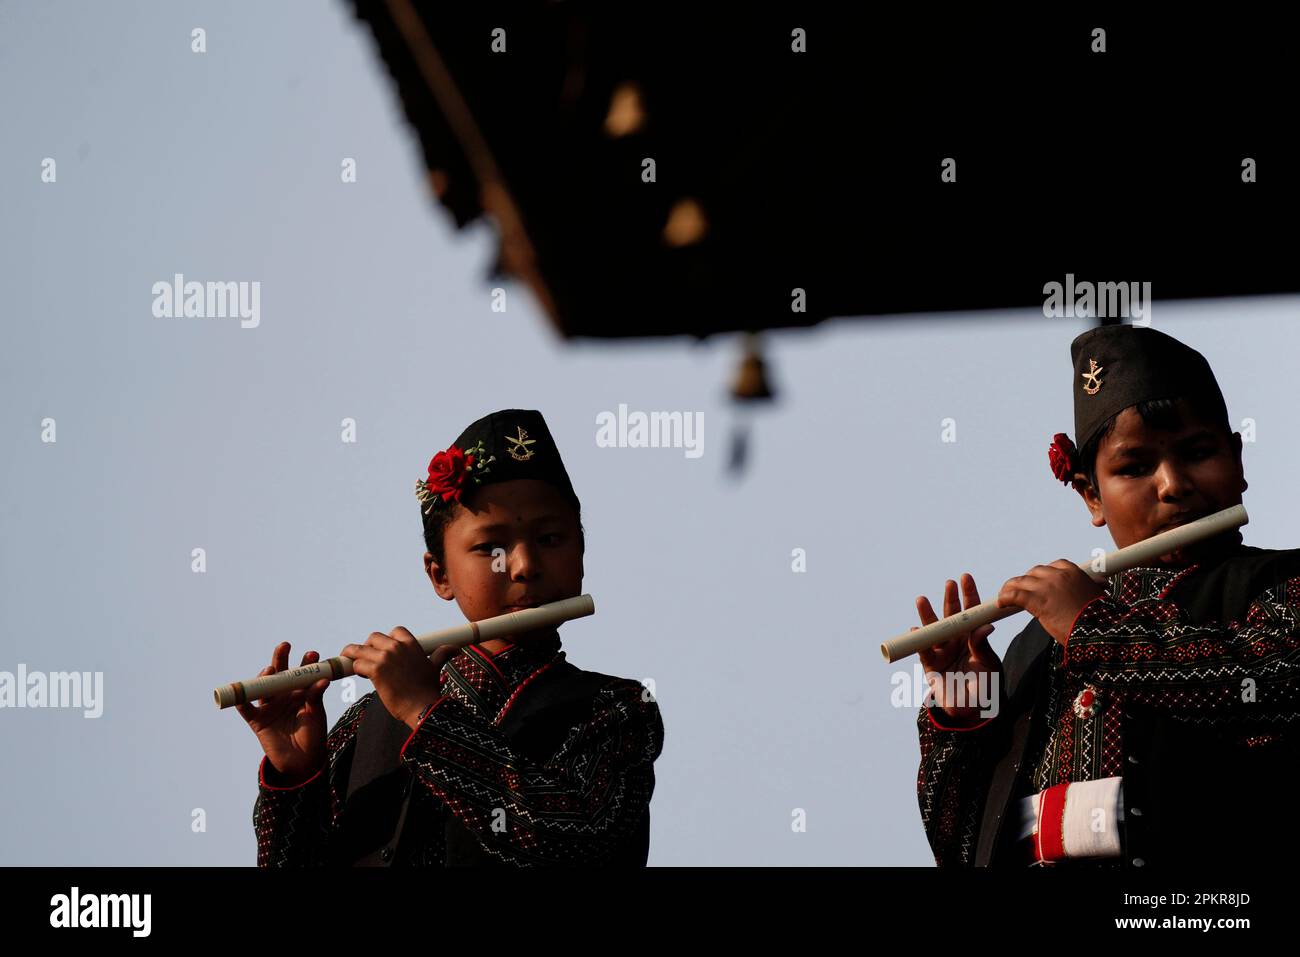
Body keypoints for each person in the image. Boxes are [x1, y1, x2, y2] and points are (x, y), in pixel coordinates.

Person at [914, 324, 1300, 867]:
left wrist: (1091, 630)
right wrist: (965, 711)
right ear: (1091, 495)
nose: (1172, 485)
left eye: (1196, 452)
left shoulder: (1279, 584)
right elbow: (960, 847)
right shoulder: (1038, 644)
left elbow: (1275, 683)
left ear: (1237, 463)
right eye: (1134, 468)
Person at [241, 409, 665, 865]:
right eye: (491, 548)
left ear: (581, 553)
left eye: (550, 539)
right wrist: (297, 775)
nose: (523, 566)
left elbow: (567, 837)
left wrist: (425, 712)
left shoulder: (618, 710)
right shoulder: (369, 720)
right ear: (439, 574)